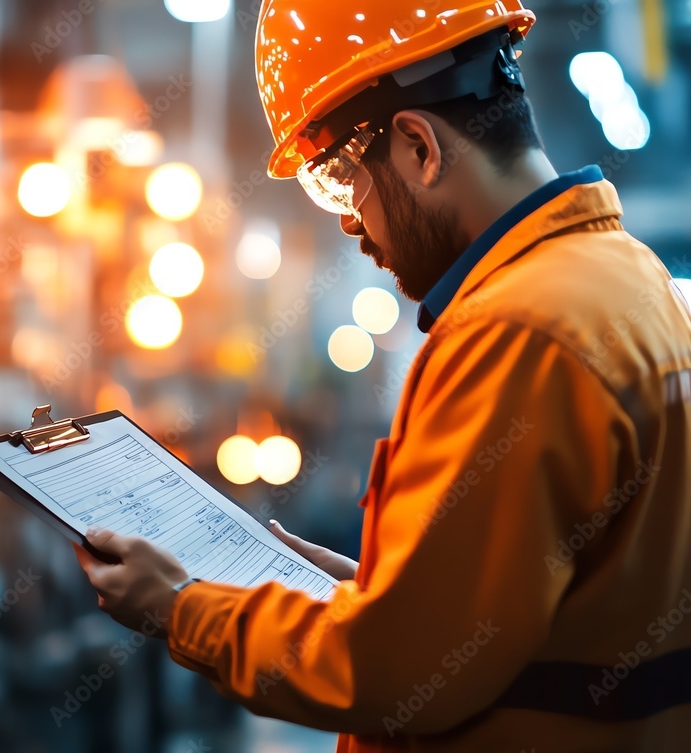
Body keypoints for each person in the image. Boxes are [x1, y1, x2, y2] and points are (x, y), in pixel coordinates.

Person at [74, 2, 691, 750]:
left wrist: (180, 607)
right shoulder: (626, 277)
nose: (348, 222)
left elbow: (392, 675)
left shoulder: (512, 331)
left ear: (419, 147)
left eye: (339, 179)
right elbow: (525, 612)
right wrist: (364, 590)